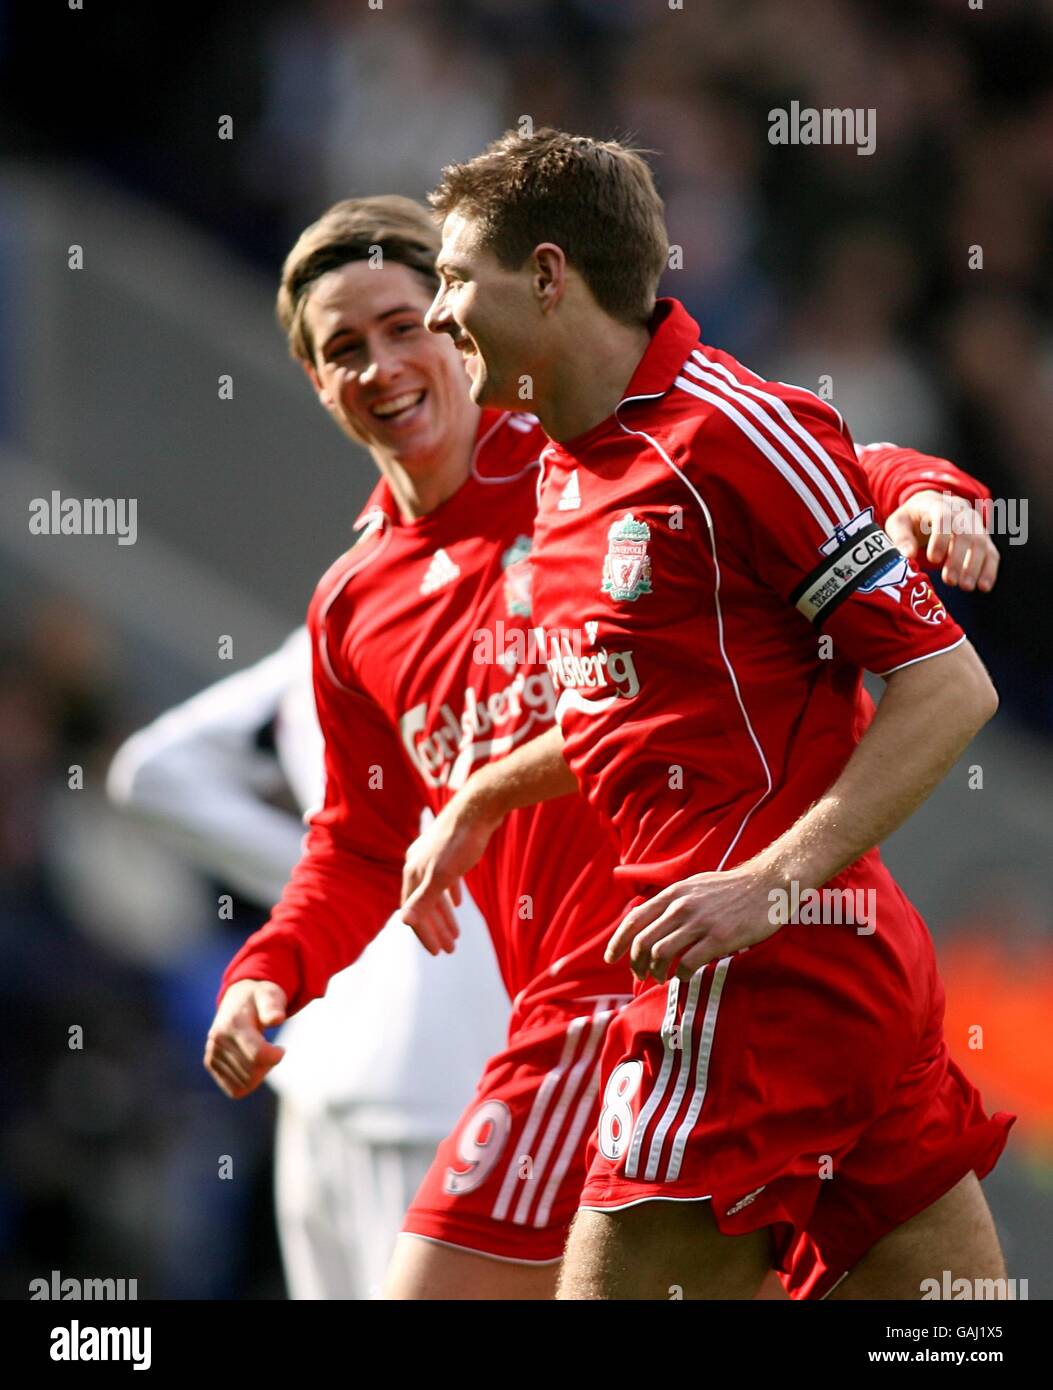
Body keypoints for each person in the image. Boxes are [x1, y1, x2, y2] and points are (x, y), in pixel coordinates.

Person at [207, 194, 998, 1302]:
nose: (383, 364)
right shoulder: (351, 608)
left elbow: (815, 459)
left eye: (406, 323)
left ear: (457, 323)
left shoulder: (575, 449)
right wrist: (268, 972)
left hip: (651, 982)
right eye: (345, 348)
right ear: (314, 381)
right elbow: (359, 839)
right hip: (610, 1003)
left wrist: (928, 493)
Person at [108, 627, 506, 1298]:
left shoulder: (345, 617)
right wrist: (346, 893)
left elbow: (153, 772)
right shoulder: (528, 618)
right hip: (452, 1080)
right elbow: (149, 774)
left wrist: (338, 894)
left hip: (328, 1066)